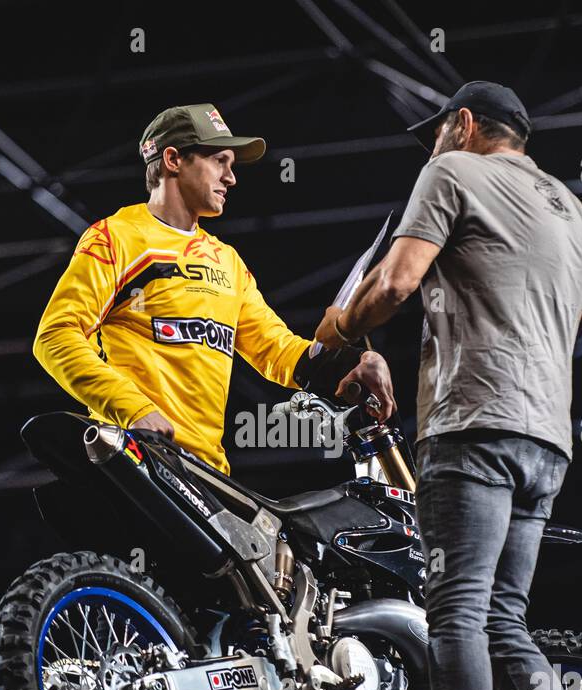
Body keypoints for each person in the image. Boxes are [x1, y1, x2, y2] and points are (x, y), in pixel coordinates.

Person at [315, 81, 582, 690]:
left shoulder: (451, 171)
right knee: (505, 617)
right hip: (547, 439)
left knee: (458, 613)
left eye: (437, 134)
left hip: (472, 424)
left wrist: (344, 330)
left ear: (464, 124)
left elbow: (400, 280)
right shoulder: (576, 211)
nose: (432, 150)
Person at [34, 102, 394, 475]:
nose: (231, 178)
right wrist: (134, 409)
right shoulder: (116, 237)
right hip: (137, 460)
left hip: (208, 473)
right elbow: (56, 336)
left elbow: (280, 352)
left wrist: (353, 363)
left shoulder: (226, 261)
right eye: (219, 161)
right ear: (173, 159)